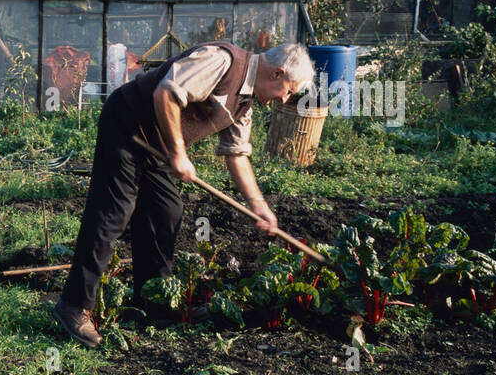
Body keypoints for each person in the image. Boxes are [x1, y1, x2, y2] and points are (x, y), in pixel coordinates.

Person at [52, 40, 314, 348]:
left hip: (158, 144)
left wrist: (258, 205)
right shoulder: (222, 61)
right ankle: (73, 305)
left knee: (166, 211)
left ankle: (154, 303)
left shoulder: (244, 100)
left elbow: (237, 154)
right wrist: (179, 153)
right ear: (277, 73)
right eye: (288, 89)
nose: (284, 98)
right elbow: (167, 92)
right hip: (127, 125)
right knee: (114, 211)